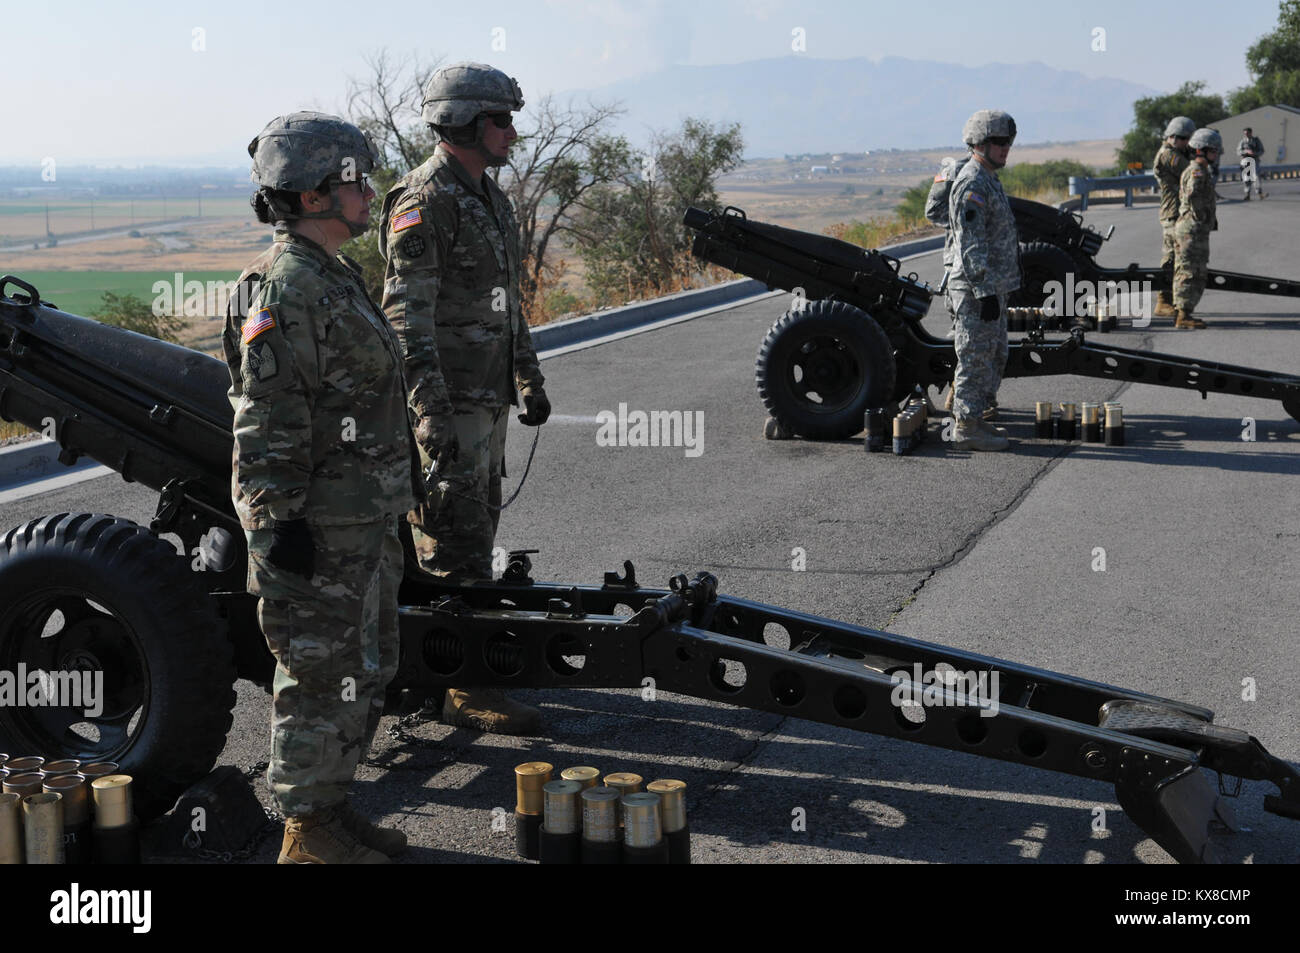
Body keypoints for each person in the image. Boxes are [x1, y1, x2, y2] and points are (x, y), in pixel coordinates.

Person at [224, 112, 422, 863]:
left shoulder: (331, 276)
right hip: (317, 527)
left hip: (361, 519)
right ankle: (305, 833)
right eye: (353, 182)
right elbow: (267, 419)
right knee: (315, 675)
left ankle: (331, 809)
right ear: (311, 197)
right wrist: (279, 527)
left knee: (362, 666)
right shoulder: (285, 289)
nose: (369, 193)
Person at [379, 63, 550, 734]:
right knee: (452, 550)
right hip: (448, 412)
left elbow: (507, 308)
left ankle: (461, 672)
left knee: (476, 541)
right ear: (472, 124)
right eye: (503, 119)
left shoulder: (490, 196)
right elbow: (405, 323)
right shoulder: (426, 200)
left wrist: (528, 378)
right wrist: (429, 417)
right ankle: (462, 686)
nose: (513, 131)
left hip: (487, 407)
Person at [945, 109, 1020, 452]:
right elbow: (970, 241)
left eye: (1009, 142)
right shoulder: (973, 181)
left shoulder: (988, 177)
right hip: (976, 289)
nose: (1006, 148)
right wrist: (986, 290)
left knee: (992, 355)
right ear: (980, 143)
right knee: (974, 357)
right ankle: (966, 427)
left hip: (990, 285)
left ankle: (976, 420)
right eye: (1000, 142)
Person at [1172, 128, 1222, 330]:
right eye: (1214, 150)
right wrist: (1201, 216)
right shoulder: (1197, 170)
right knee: (1191, 271)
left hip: (1192, 227)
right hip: (1192, 229)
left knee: (1187, 268)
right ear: (1201, 150)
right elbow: (1192, 196)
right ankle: (1183, 316)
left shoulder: (1198, 168)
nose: (1216, 154)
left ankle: (1182, 311)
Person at [1151, 116, 1194, 319]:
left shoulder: (1176, 152)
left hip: (1178, 212)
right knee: (1170, 258)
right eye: (1185, 138)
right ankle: (1163, 301)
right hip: (1172, 213)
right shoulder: (1169, 155)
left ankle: (1173, 299)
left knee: (1178, 257)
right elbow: (1190, 171)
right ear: (1173, 137)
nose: (1187, 142)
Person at [1237, 127, 1267, 200]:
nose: (1246, 135)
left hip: (1255, 161)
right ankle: (1247, 194)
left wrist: (1254, 153)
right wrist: (1245, 152)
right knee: (1247, 179)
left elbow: (1262, 150)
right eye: (1245, 133)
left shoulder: (1256, 141)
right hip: (1246, 161)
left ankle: (1260, 193)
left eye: (1247, 133)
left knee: (1256, 177)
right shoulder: (1242, 141)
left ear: (1251, 133)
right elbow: (1238, 151)